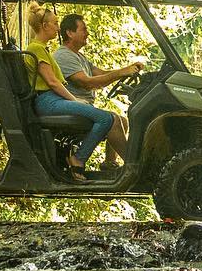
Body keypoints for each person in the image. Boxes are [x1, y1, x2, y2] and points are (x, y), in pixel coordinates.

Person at [24, 2, 115, 179]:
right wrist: (74, 100)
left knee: (106, 117)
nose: (58, 28)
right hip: (49, 101)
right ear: (45, 26)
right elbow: (53, 82)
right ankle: (78, 159)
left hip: (54, 100)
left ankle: (81, 159)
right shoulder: (36, 48)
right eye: (56, 23)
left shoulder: (42, 49)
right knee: (105, 118)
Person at [54, 13, 143, 168]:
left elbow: (101, 74)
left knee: (122, 121)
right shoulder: (63, 56)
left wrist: (126, 70)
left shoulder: (78, 56)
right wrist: (121, 72)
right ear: (70, 33)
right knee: (113, 120)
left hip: (83, 106)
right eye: (83, 29)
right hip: (72, 106)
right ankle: (134, 166)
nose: (87, 33)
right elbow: (87, 83)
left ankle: (110, 164)